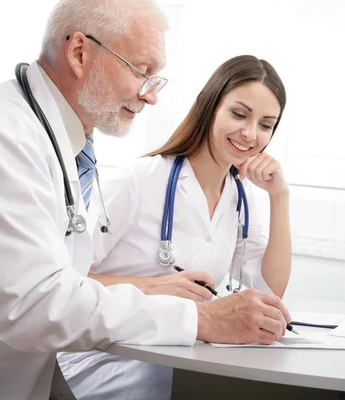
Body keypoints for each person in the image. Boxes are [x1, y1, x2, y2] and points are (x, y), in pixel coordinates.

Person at [0, 1, 291, 399]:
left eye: (266, 124)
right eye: (141, 71)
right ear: (80, 53)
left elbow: (59, 286)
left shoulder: (63, 145)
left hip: (30, 377)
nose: (150, 96)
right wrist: (197, 316)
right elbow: (37, 305)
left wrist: (280, 197)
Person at [58, 54, 291, 400]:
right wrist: (154, 287)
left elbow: (271, 290)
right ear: (210, 107)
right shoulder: (141, 180)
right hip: (108, 359)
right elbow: (65, 281)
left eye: (266, 124)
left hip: (182, 360)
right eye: (239, 114)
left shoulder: (241, 197)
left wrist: (279, 196)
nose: (250, 134)